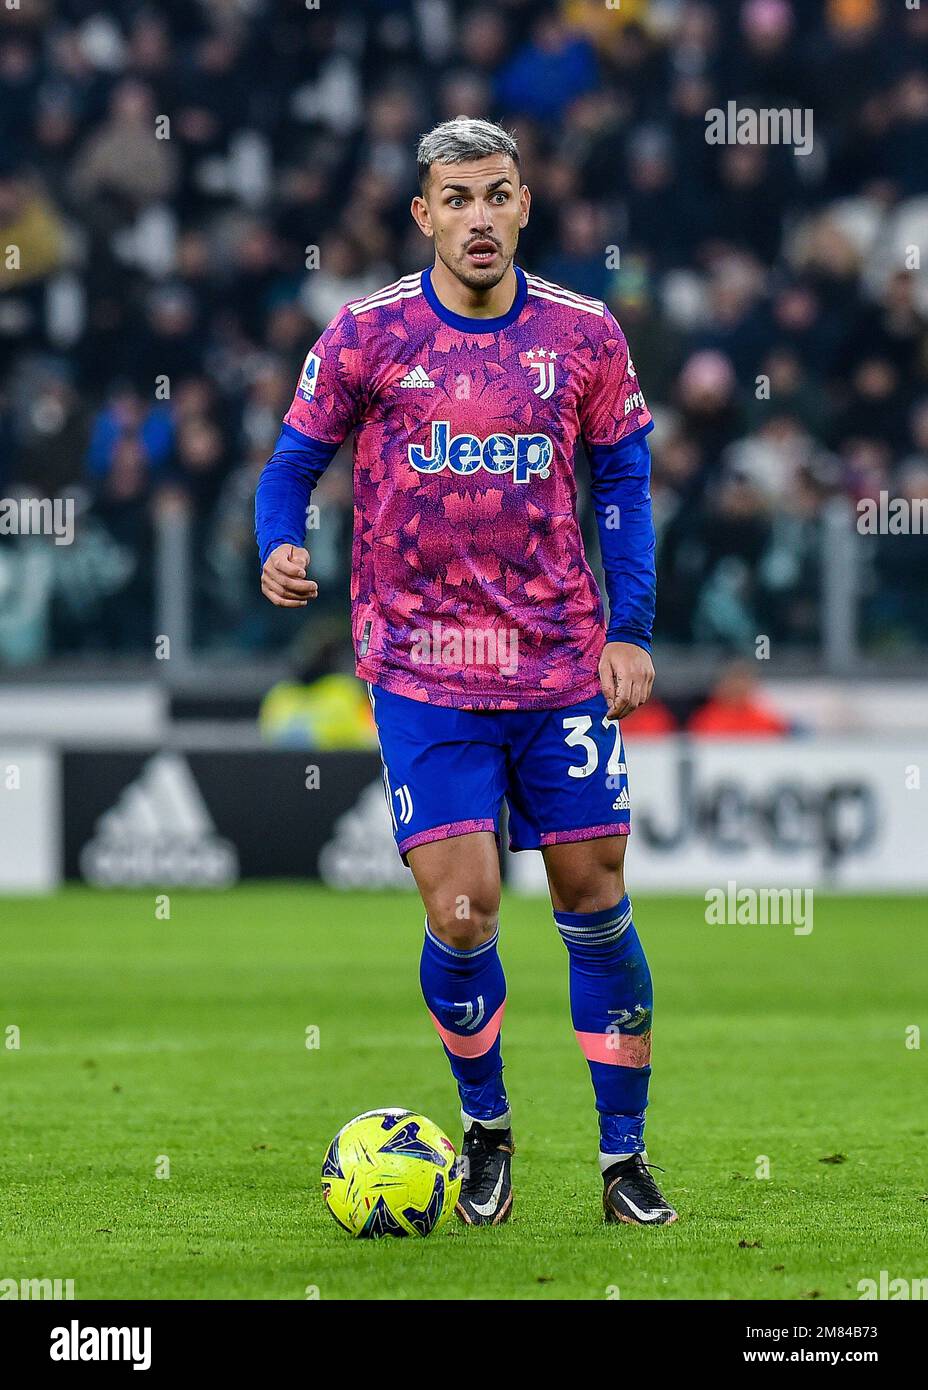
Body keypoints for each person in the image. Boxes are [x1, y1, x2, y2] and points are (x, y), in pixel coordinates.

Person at [255, 117, 675, 1228]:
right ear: (423, 215)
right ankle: (485, 1130)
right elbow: (290, 462)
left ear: (525, 205)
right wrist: (278, 541)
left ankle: (622, 1158)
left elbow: (626, 480)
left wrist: (627, 628)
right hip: (424, 669)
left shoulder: (583, 335)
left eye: (498, 195)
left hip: (557, 667)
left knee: (593, 897)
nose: (480, 217)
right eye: (458, 199)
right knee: (461, 913)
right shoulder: (365, 333)